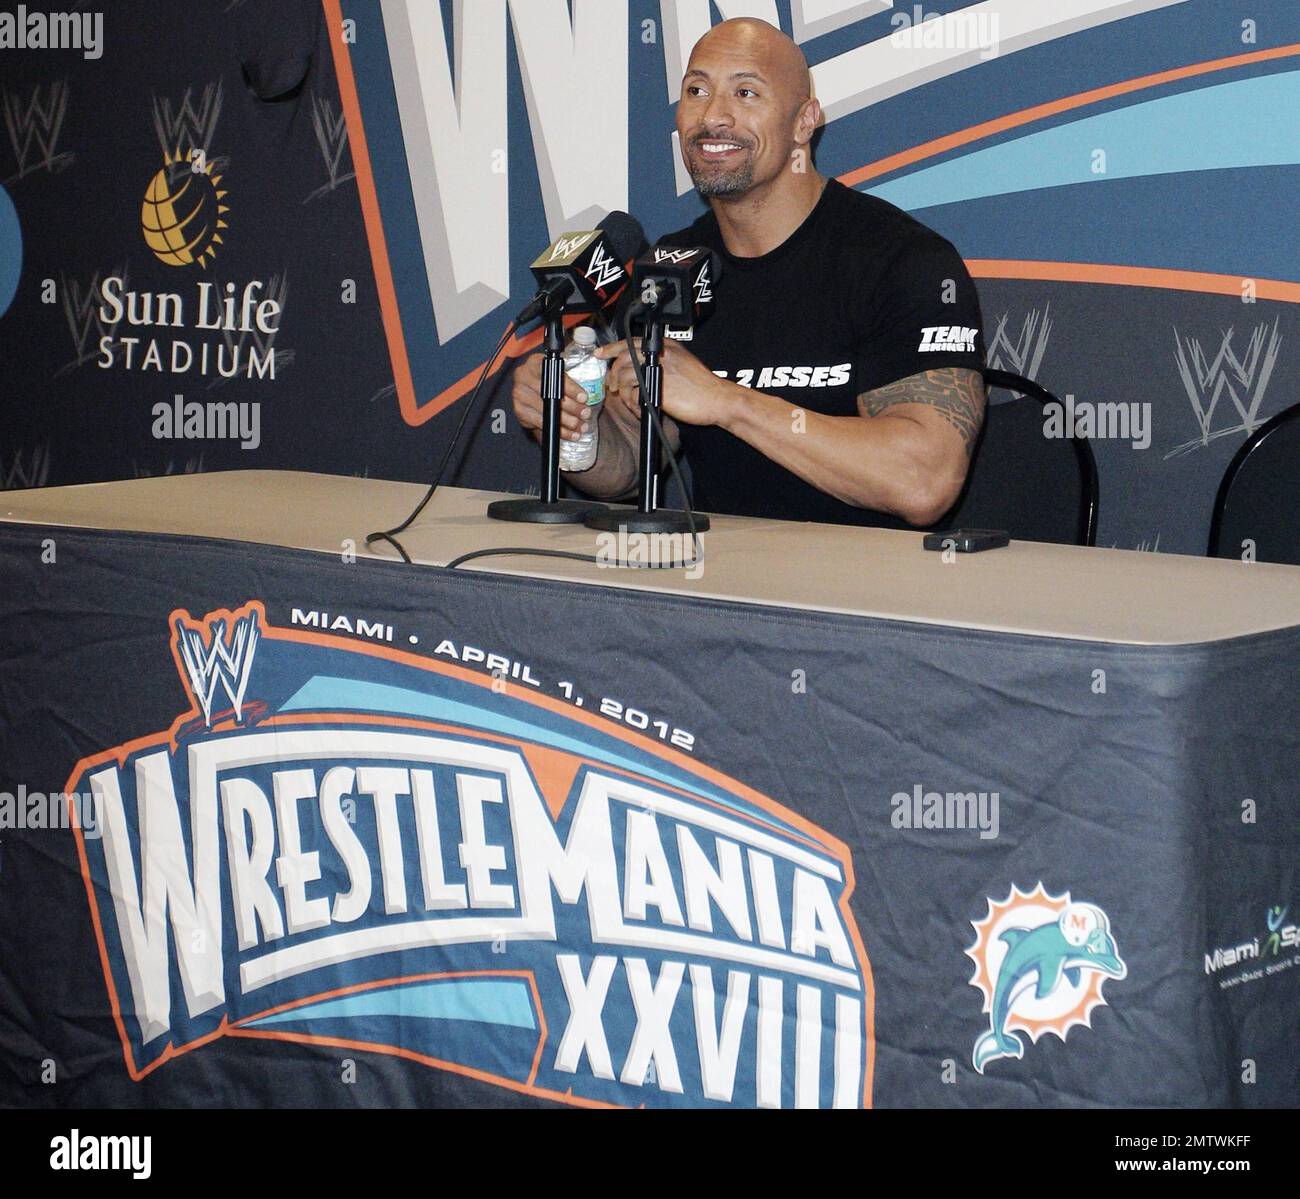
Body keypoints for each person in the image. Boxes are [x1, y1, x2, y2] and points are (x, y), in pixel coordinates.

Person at [511, 17, 986, 530]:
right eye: (697, 90)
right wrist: (572, 425)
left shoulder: (900, 261)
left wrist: (724, 401)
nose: (714, 115)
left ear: (804, 121)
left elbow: (924, 482)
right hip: (720, 583)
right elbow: (629, 470)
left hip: (869, 593)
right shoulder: (671, 270)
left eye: (746, 92)